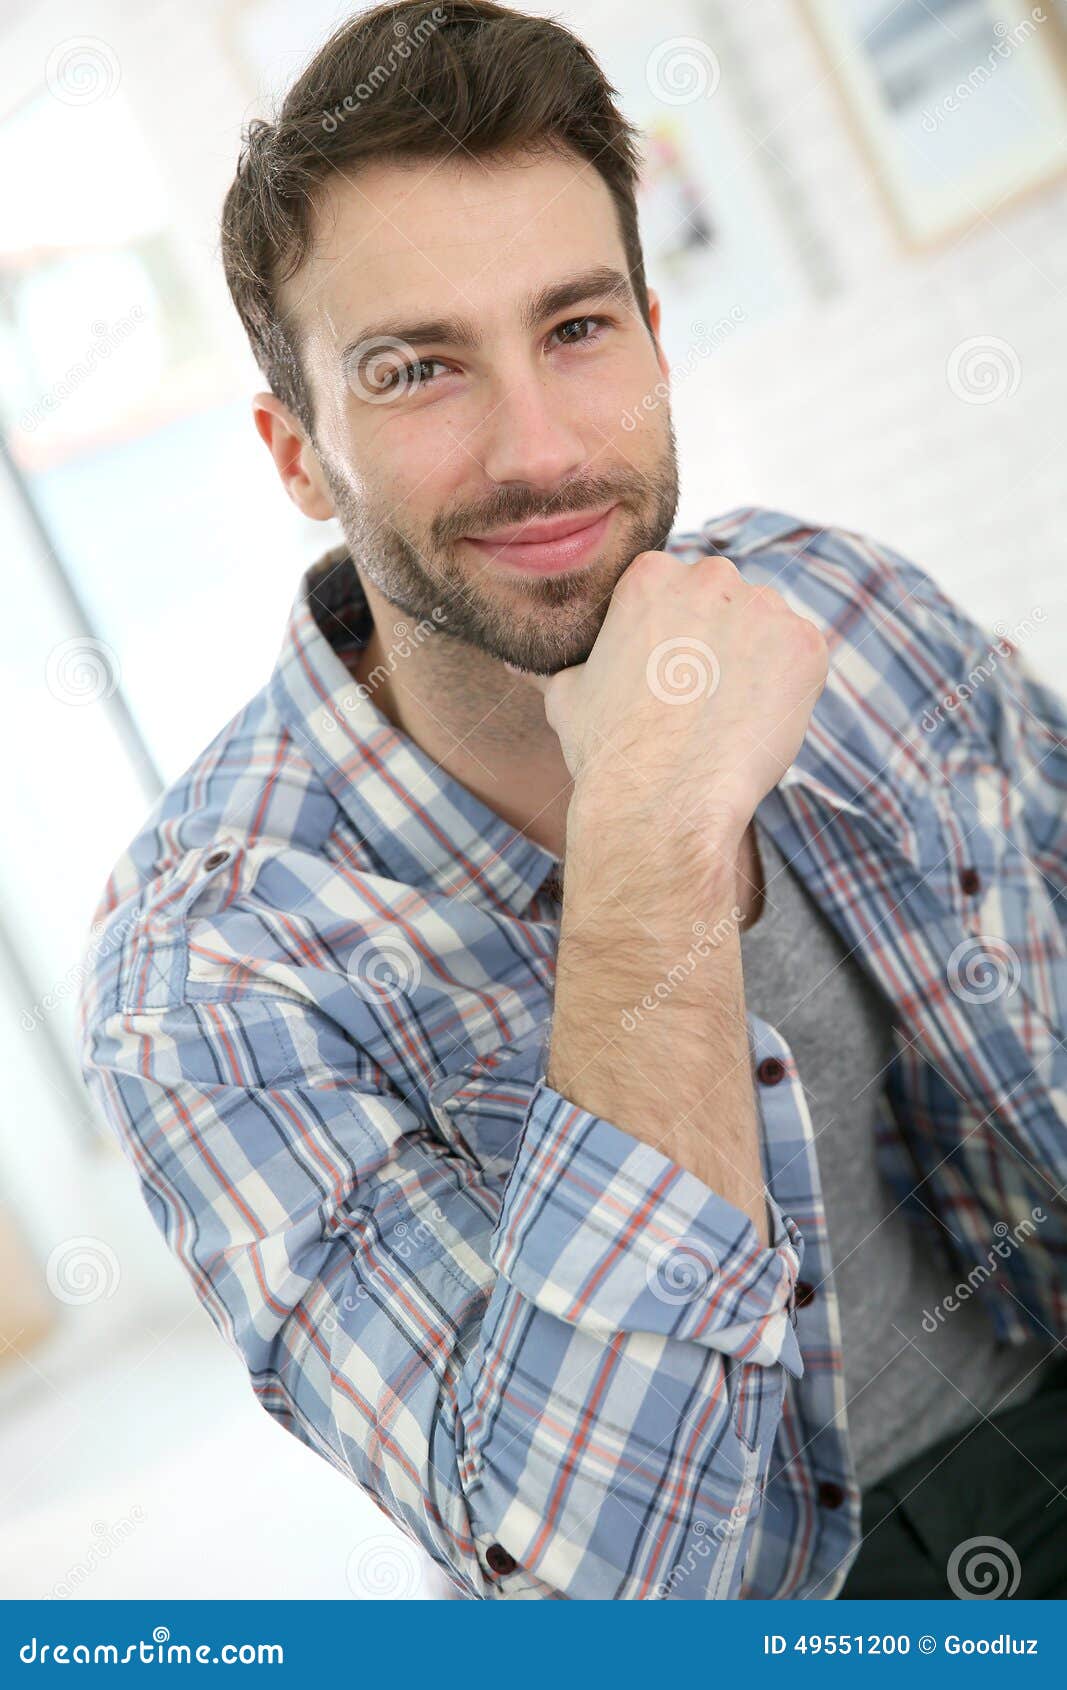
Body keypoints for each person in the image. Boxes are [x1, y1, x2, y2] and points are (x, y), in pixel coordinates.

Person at [77, 0, 1067, 1600]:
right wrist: (653, 841)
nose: (538, 450)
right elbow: (601, 1590)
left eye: (578, 329)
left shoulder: (850, 606)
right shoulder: (208, 966)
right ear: (297, 453)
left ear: (656, 337)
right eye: (416, 369)